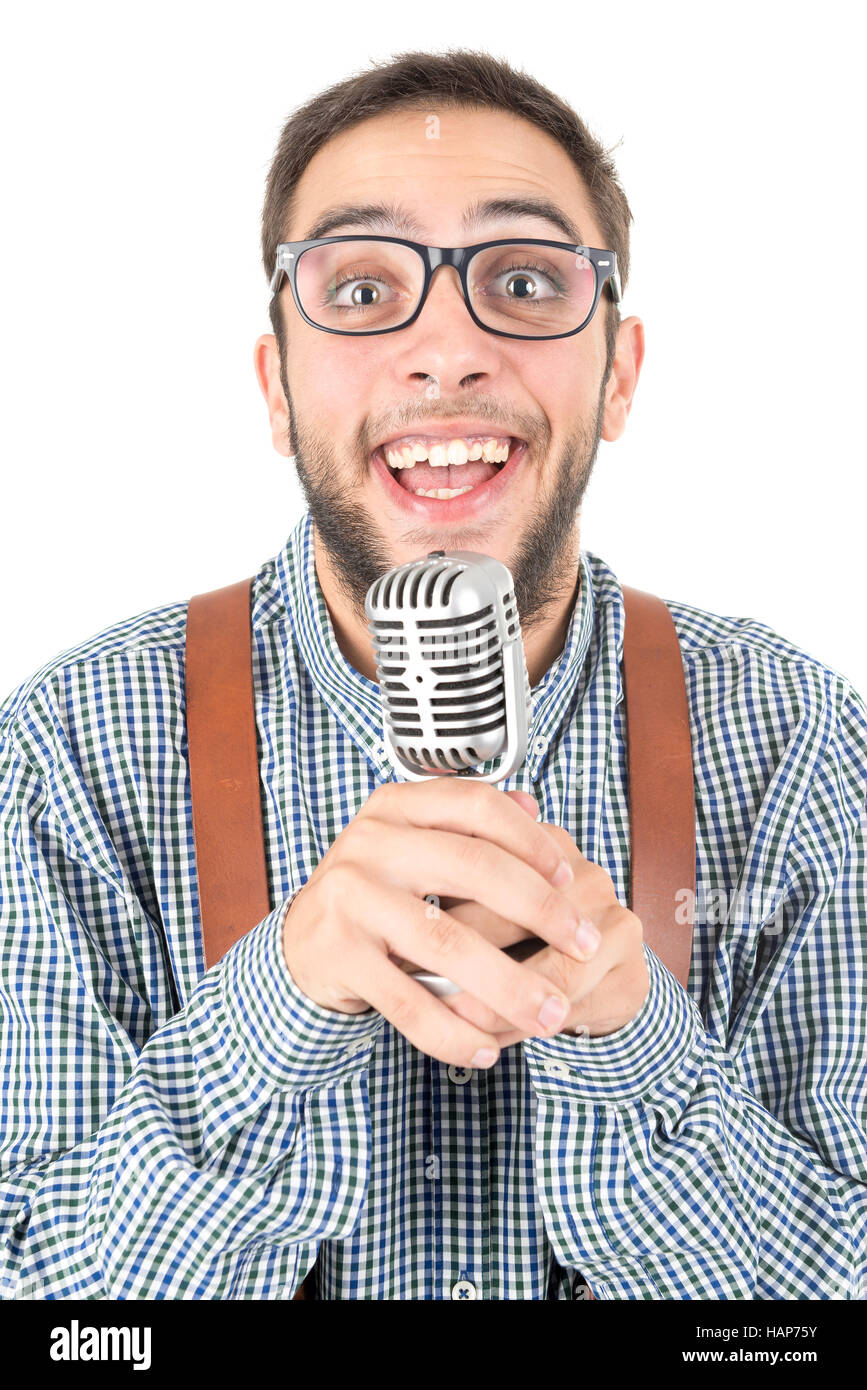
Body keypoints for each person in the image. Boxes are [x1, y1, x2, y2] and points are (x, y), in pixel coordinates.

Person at [1, 49, 865, 1302]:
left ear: (617, 373)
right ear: (278, 389)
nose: (447, 349)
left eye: (522, 280)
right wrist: (275, 1012)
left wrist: (634, 1046)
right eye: (360, 290)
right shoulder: (71, 750)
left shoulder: (798, 742)